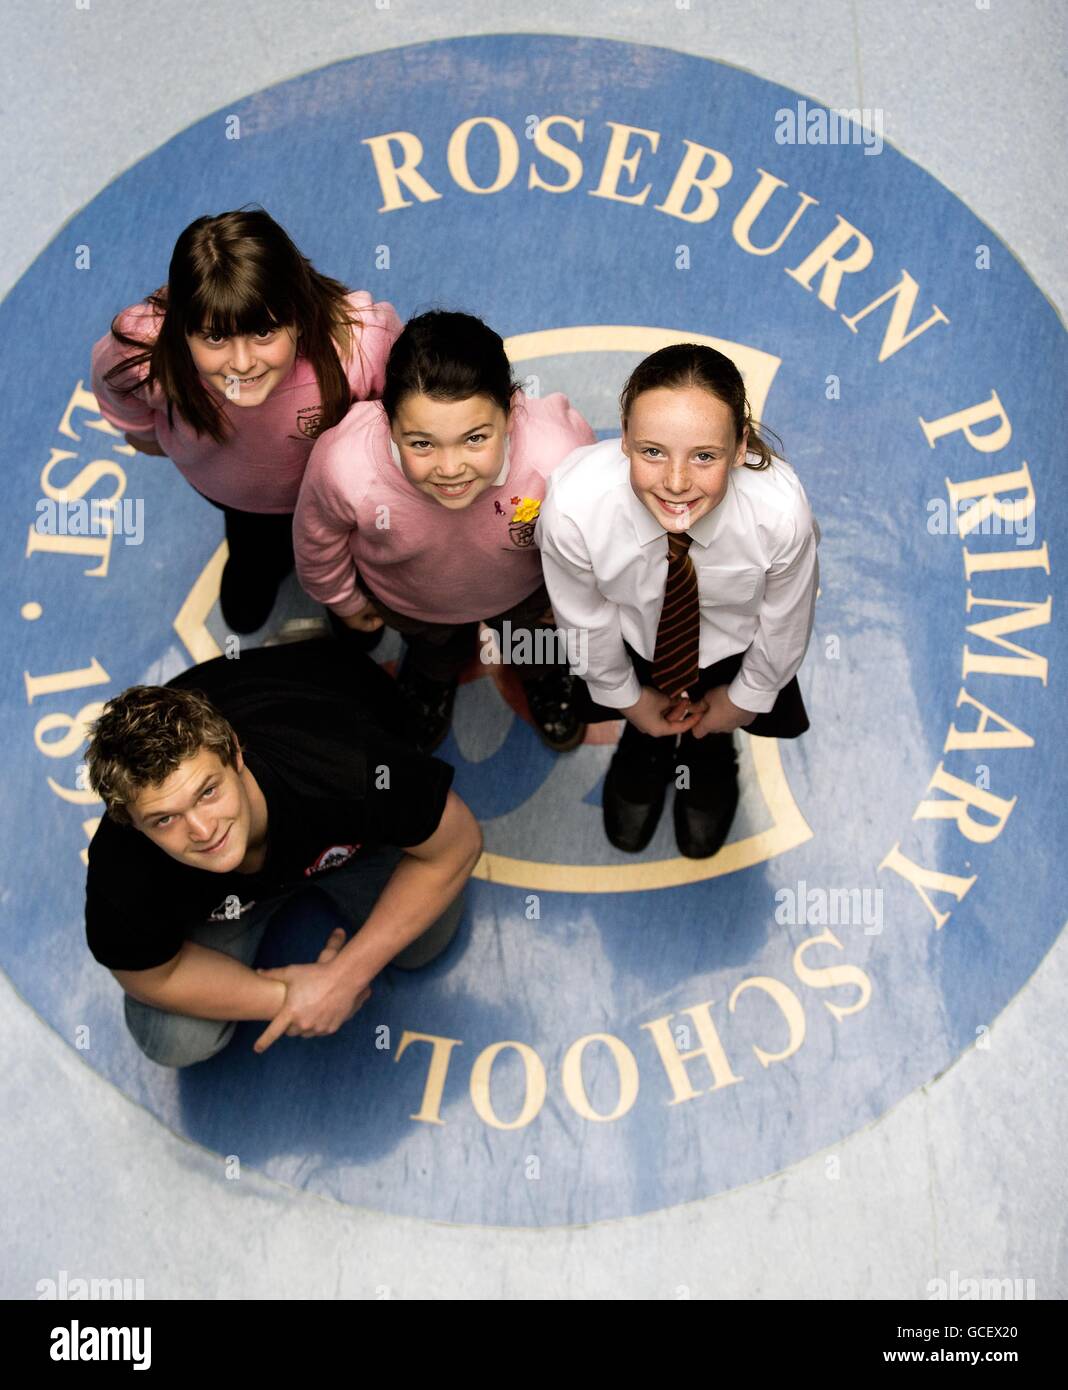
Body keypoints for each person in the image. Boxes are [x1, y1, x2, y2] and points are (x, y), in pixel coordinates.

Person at [82, 640, 482, 1068]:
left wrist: (347, 975)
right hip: (252, 883)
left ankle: (299, 638)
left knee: (424, 941)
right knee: (171, 1040)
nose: (202, 830)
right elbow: (149, 975)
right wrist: (293, 998)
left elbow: (458, 844)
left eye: (208, 792)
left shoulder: (345, 764)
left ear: (235, 753)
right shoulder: (121, 860)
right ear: (128, 819)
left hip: (330, 774)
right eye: (164, 819)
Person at [536, 343, 819, 859]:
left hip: (729, 655)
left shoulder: (779, 514)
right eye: (652, 451)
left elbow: (785, 622)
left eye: (705, 456)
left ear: (740, 448)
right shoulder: (575, 507)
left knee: (713, 729)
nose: (675, 482)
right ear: (623, 437)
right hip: (636, 646)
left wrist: (740, 701)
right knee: (645, 720)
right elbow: (585, 620)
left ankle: (710, 753)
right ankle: (644, 745)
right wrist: (629, 700)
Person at [292, 309, 597, 753]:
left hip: (528, 596)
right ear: (387, 421)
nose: (450, 469)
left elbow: (589, 535)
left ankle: (543, 677)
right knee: (434, 652)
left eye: (475, 438)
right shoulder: (344, 464)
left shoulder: (559, 453)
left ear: (511, 411)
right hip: (411, 601)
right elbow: (316, 538)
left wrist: (572, 596)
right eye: (422, 443)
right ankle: (434, 678)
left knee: (534, 647)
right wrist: (341, 598)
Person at [90, 208, 402, 634]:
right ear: (182, 330)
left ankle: (344, 602)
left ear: (300, 313)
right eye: (216, 337)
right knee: (250, 576)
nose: (241, 364)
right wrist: (147, 434)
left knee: (355, 578)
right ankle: (263, 563)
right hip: (237, 503)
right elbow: (117, 391)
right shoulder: (143, 347)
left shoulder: (360, 340)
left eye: (263, 333)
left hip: (337, 501)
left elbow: (403, 413)